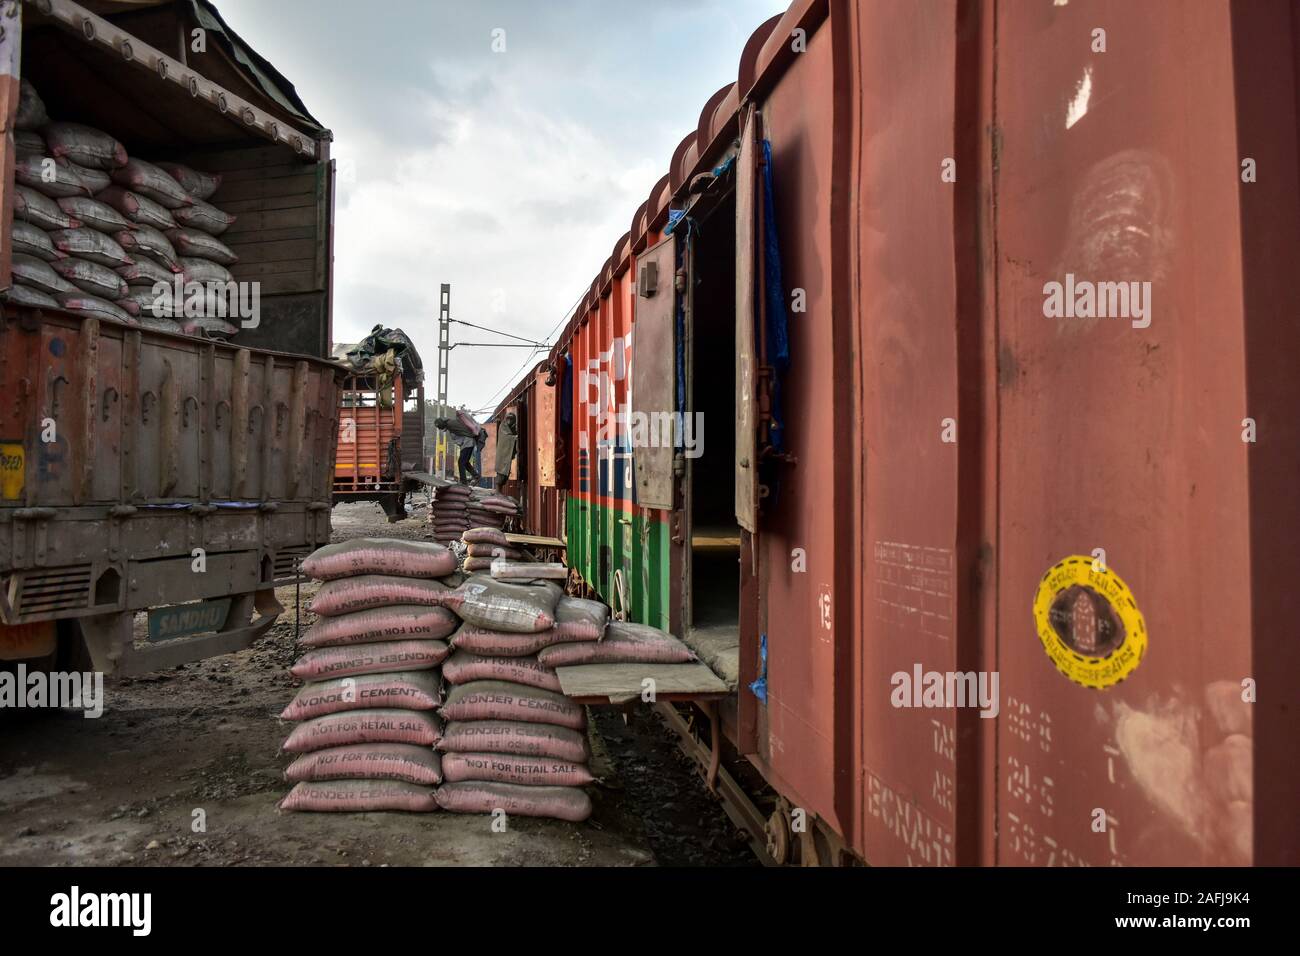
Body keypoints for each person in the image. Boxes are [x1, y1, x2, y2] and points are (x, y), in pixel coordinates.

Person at [434, 415, 484, 484]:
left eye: (440, 427)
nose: (442, 429)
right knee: (465, 462)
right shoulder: (450, 423)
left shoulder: (450, 424)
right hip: (468, 442)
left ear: (443, 425)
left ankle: (463, 482)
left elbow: (461, 431)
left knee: (461, 462)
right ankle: (476, 476)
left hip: (467, 442)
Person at [494, 412, 518, 491]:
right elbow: (507, 437)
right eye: (508, 419)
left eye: (511, 419)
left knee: (504, 476)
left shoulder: (511, 428)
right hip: (502, 455)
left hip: (506, 455)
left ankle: (499, 491)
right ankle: (498, 491)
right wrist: (515, 438)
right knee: (501, 474)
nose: (509, 421)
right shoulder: (503, 426)